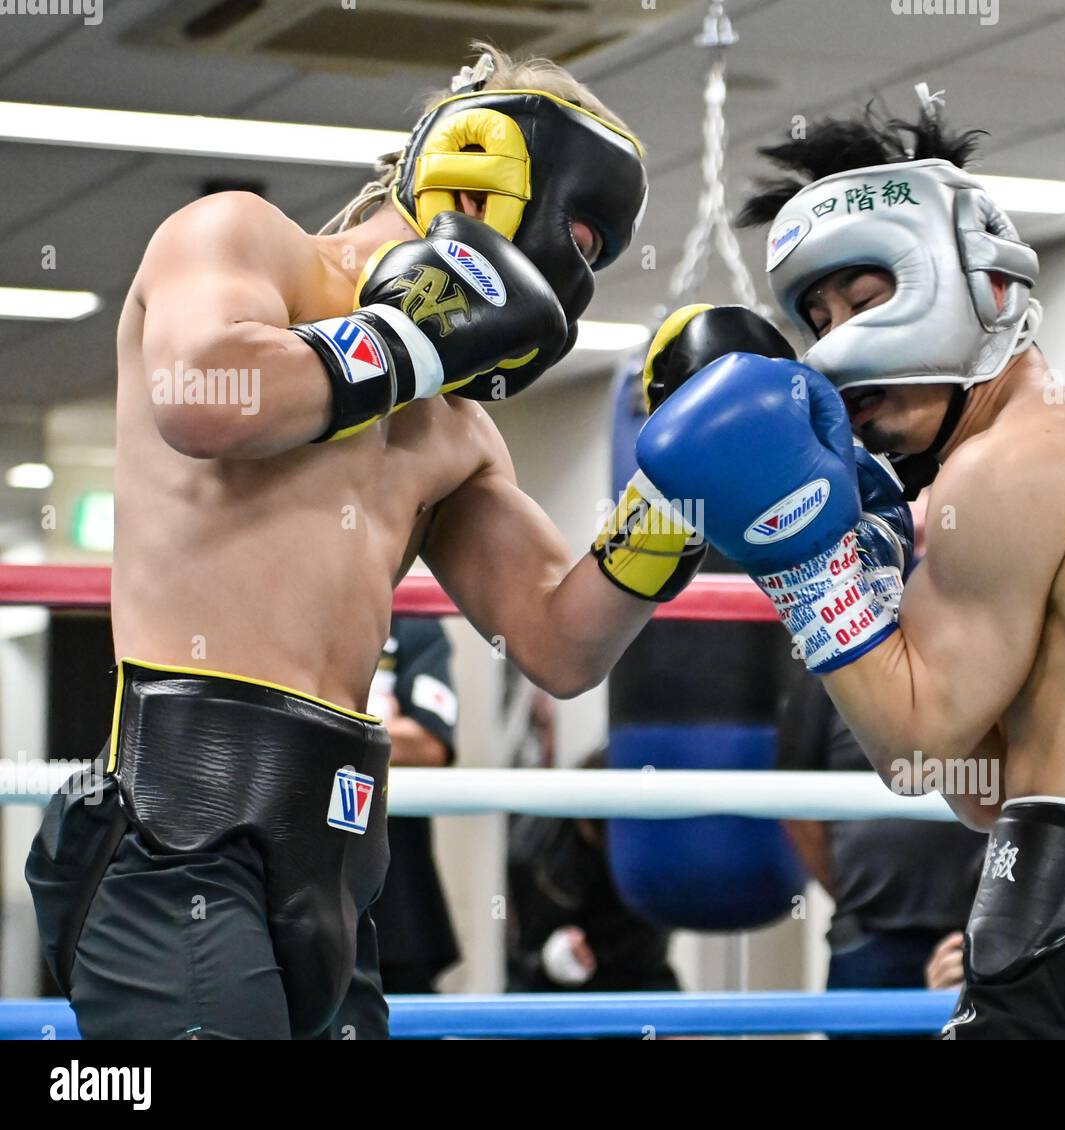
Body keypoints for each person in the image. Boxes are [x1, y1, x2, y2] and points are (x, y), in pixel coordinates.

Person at [25, 43, 705, 1040]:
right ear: (482, 173)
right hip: (180, 832)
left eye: (596, 254)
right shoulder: (246, 241)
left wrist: (683, 500)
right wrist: (410, 335)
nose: (576, 269)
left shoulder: (457, 428)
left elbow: (560, 642)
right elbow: (203, 395)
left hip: (337, 850)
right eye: (582, 229)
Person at [631, 92, 1065, 1039]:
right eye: (817, 314)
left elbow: (907, 746)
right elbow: (978, 792)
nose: (840, 341)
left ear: (983, 287)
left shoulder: (1017, 462)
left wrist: (806, 561)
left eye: (865, 299)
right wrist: (878, 564)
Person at [776, 666, 983, 1001]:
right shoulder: (834, 655)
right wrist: (855, 890)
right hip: (871, 932)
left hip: (988, 929)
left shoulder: (996, 647)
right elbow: (795, 801)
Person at [505, 751, 679, 994]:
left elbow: (649, 960)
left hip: (637, 973)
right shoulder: (535, 852)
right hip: (543, 985)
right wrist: (551, 956)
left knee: (680, 1026)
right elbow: (522, 953)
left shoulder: (653, 850)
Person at [366, 618, 460, 994]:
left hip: (396, 883)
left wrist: (342, 723)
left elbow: (431, 744)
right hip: (300, 870)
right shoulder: (288, 604)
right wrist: (378, 724)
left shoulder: (411, 624)